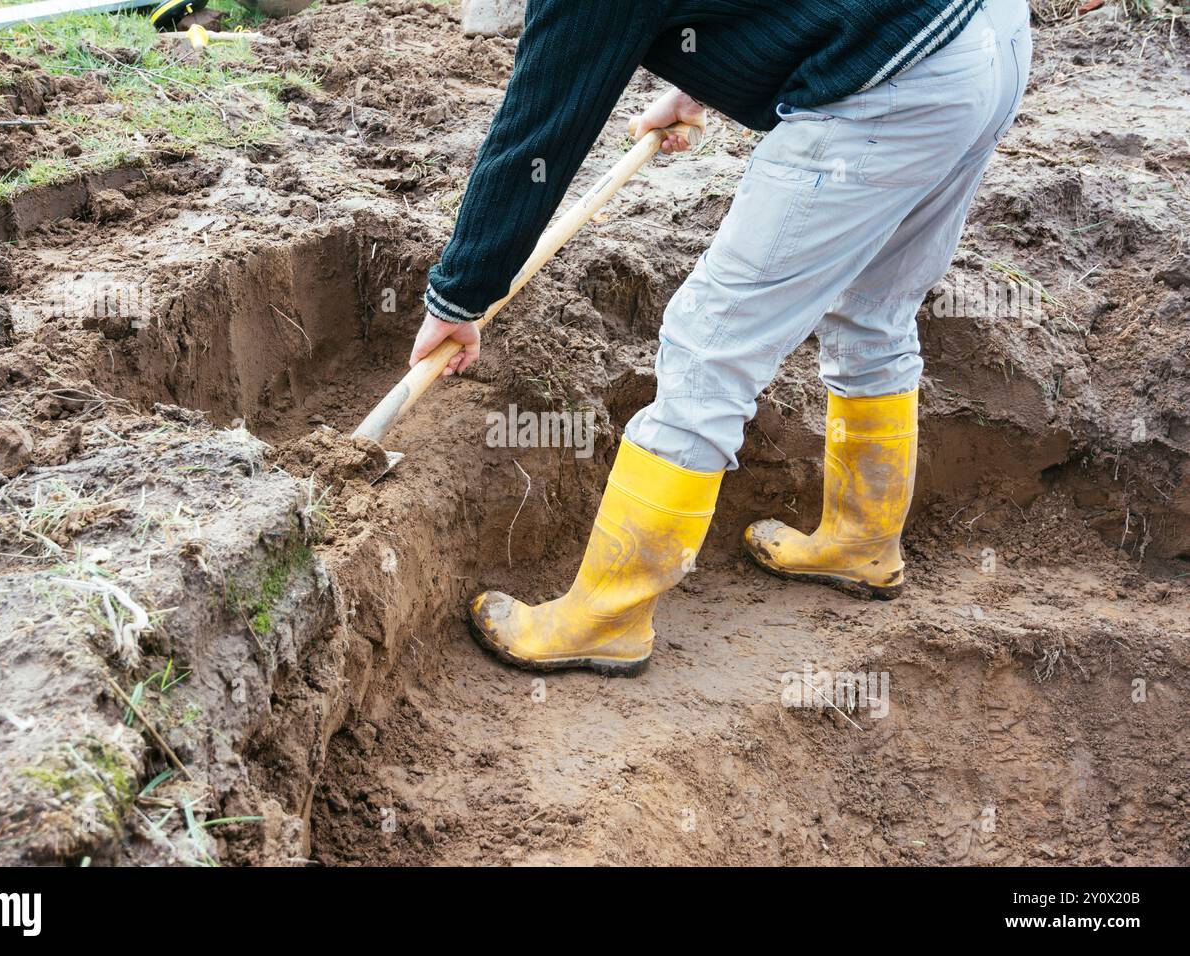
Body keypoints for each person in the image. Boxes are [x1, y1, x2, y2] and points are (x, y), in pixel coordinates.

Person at [408, 0, 1033, 675]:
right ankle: (861, 541)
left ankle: (606, 616)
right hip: (984, 36)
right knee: (875, 304)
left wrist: (459, 295)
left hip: (893, 81)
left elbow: (540, 132)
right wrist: (695, 80)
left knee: (710, 347)